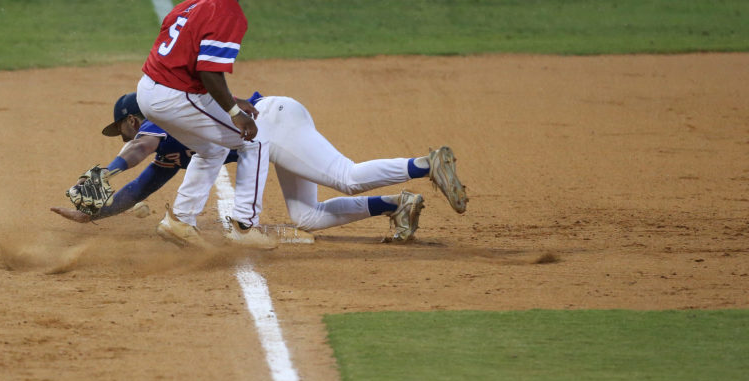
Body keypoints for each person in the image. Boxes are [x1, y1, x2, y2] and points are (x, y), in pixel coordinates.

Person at [51, 91, 468, 243]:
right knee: (306, 216)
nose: (123, 137)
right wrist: (92, 214)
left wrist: (106, 172)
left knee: (345, 177)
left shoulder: (161, 117)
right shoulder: (171, 152)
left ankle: (425, 164)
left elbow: (139, 146)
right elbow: (137, 191)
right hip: (268, 132)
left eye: (120, 130)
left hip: (273, 121)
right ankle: (397, 204)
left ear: (130, 119)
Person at [134, 0, 276, 248]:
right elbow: (208, 71)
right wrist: (235, 113)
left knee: (212, 148)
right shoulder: (227, 11)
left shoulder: (195, 0)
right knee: (256, 139)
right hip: (175, 96)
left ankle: (180, 221)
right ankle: (244, 226)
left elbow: (188, 61)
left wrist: (230, 98)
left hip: (149, 90)